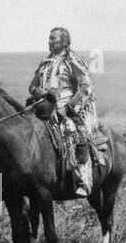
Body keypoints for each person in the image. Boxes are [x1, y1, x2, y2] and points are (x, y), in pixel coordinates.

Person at [28, 26, 98, 196]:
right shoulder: (45, 62)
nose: (49, 41)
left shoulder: (72, 60)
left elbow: (86, 86)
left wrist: (69, 107)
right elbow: (32, 86)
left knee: (71, 132)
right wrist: (42, 93)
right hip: (43, 106)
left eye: (53, 39)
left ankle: (82, 180)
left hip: (67, 107)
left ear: (64, 41)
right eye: (49, 38)